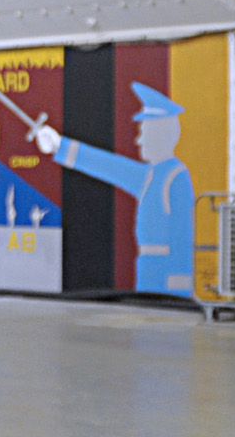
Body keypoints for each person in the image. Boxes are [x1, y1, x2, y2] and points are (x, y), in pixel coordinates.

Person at [35, 82, 196, 297]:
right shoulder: (150, 176)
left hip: (167, 276)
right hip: (148, 271)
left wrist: (179, 286)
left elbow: (182, 236)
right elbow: (109, 166)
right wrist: (59, 145)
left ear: (162, 134)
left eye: (143, 133)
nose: (138, 141)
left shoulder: (176, 178)